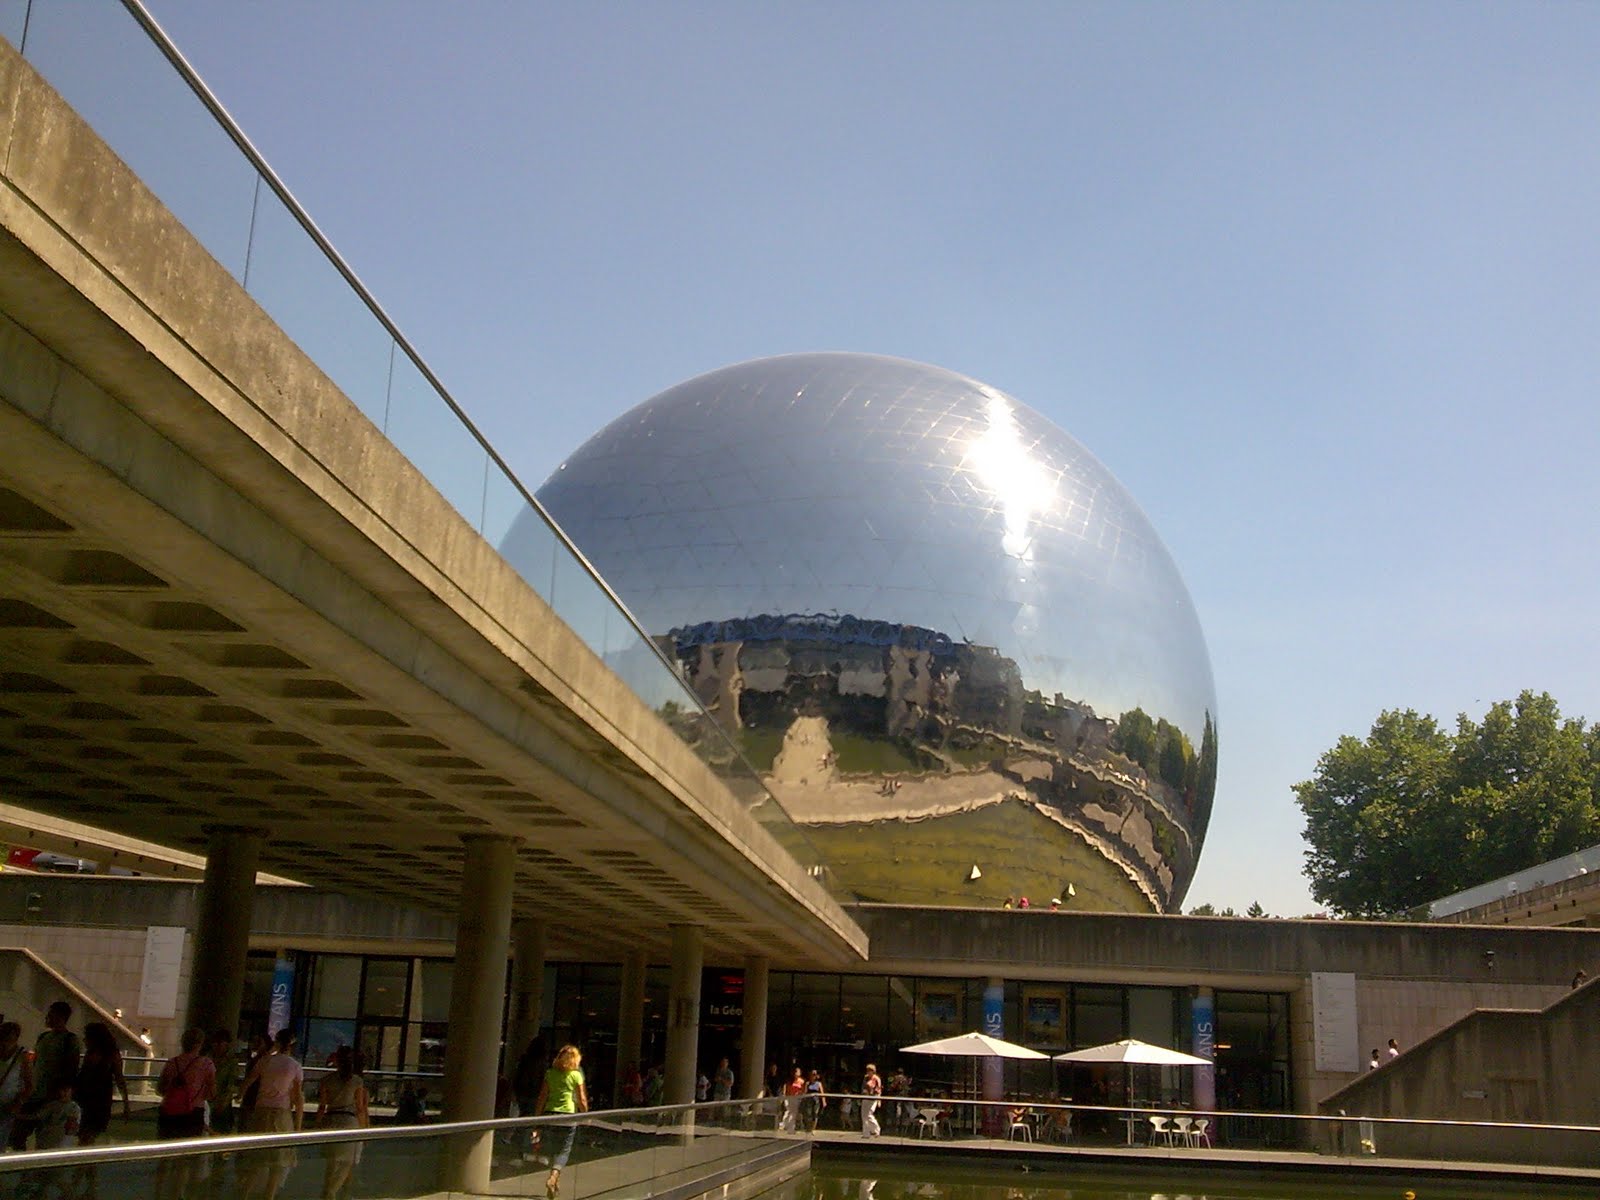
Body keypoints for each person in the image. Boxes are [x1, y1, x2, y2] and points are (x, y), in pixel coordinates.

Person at [239, 1029, 304, 1200]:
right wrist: (297, 1126)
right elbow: (298, 1098)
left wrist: (239, 1095)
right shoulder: (294, 1066)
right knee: (278, 1164)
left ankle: (244, 1195)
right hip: (281, 1115)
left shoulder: (266, 1061)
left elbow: (250, 1080)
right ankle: (269, 1196)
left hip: (261, 1111)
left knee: (256, 1161)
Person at [155, 1028, 217, 1200]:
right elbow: (212, 1093)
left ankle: (158, 1193)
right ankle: (177, 1194)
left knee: (164, 1156)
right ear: (200, 1044)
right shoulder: (207, 1064)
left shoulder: (172, 1062)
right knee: (184, 1159)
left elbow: (160, 1089)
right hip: (192, 1114)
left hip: (168, 1112)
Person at [11, 1000, 81, 1151]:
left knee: (46, 1139)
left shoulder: (70, 1040)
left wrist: (62, 1092)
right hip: (35, 1093)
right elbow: (36, 1064)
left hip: (52, 1096)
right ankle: (26, 1169)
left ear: (61, 1017)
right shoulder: (43, 1037)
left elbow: (71, 1069)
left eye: (51, 1015)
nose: (47, 1018)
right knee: (18, 1135)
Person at [534, 1045, 589, 1200]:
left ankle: (555, 1182)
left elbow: (542, 1097)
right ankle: (553, 1177)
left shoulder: (550, 1074)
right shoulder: (576, 1075)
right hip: (568, 1116)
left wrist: (537, 1117)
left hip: (550, 1115)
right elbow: (582, 1099)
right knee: (564, 1150)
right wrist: (586, 1115)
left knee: (553, 1148)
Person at [315, 1046, 369, 1200]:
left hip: (331, 1119)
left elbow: (322, 1106)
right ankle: (331, 1192)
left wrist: (317, 1125)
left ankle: (327, 1191)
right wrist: (364, 1130)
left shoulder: (326, 1080)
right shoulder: (357, 1081)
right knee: (346, 1163)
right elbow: (360, 1108)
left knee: (331, 1163)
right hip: (349, 1121)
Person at [75, 1022, 130, 1146]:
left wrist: (126, 1103)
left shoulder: (104, 1055)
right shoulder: (104, 1054)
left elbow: (120, 1079)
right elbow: (119, 1079)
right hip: (95, 1098)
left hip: (95, 1099)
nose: (84, 1040)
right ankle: (86, 1163)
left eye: (87, 1037)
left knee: (86, 1135)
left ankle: (85, 1162)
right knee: (87, 1136)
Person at [0, 1021, 35, 1150]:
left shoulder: (22, 1057)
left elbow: (29, 1085)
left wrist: (18, 1103)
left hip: (8, 1105)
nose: (4, 1045)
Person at [208, 1029, 240, 1134]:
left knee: (221, 1131)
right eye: (215, 1043)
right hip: (207, 1100)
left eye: (220, 1043)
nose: (217, 1046)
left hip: (223, 1102)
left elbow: (231, 1083)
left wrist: (224, 1101)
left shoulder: (231, 1061)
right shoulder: (207, 1059)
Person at [32, 1079, 80, 1149]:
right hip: (45, 1142)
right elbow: (38, 1116)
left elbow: (72, 1126)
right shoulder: (51, 1105)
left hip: (62, 1143)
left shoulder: (74, 1107)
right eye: (62, 1091)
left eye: (66, 1091)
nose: (64, 1093)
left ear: (71, 1091)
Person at [779, 1067, 804, 1133]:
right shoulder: (789, 1080)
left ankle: (791, 1127)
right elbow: (785, 1087)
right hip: (789, 1097)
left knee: (794, 1113)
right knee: (788, 1111)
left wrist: (800, 1094)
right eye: (795, 1071)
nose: (796, 1073)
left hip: (796, 1098)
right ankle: (784, 1124)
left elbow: (803, 1090)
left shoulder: (801, 1081)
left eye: (798, 1072)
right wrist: (784, 1095)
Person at [860, 1063, 882, 1137]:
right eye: (867, 1070)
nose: (868, 1072)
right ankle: (866, 1133)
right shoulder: (865, 1078)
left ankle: (876, 1130)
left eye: (870, 1070)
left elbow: (878, 1089)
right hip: (865, 1097)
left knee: (869, 1114)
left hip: (873, 1098)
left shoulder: (876, 1079)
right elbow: (863, 1087)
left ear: (873, 1071)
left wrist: (879, 1100)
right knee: (864, 1115)